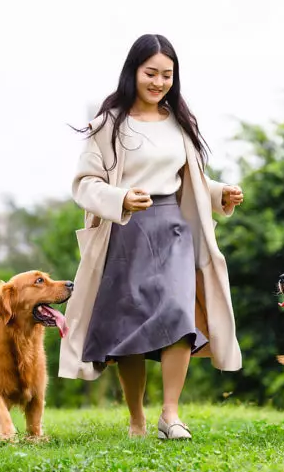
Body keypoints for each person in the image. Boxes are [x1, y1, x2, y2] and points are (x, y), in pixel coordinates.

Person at [58, 34, 244, 440]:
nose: (159, 82)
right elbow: (83, 184)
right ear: (133, 72)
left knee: (179, 315)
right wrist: (121, 197)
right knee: (131, 326)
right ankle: (137, 419)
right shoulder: (109, 125)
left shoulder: (179, 123)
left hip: (173, 227)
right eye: (151, 73)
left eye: (167, 75)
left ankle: (170, 414)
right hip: (126, 232)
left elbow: (190, 179)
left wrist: (219, 194)